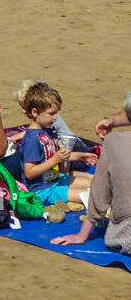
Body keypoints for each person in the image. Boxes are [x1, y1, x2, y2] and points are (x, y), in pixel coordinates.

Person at [53, 91, 131, 253]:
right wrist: (112, 120)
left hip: (125, 237)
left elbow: (100, 193)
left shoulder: (115, 143)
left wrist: (82, 234)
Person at [19, 83, 96, 206]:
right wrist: (54, 160)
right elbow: (29, 172)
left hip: (53, 180)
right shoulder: (32, 139)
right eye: (51, 113)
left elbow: (56, 155)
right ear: (35, 112)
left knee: (91, 184)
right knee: (89, 195)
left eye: (56, 113)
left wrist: (80, 156)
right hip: (41, 190)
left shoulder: (46, 130)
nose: (55, 117)